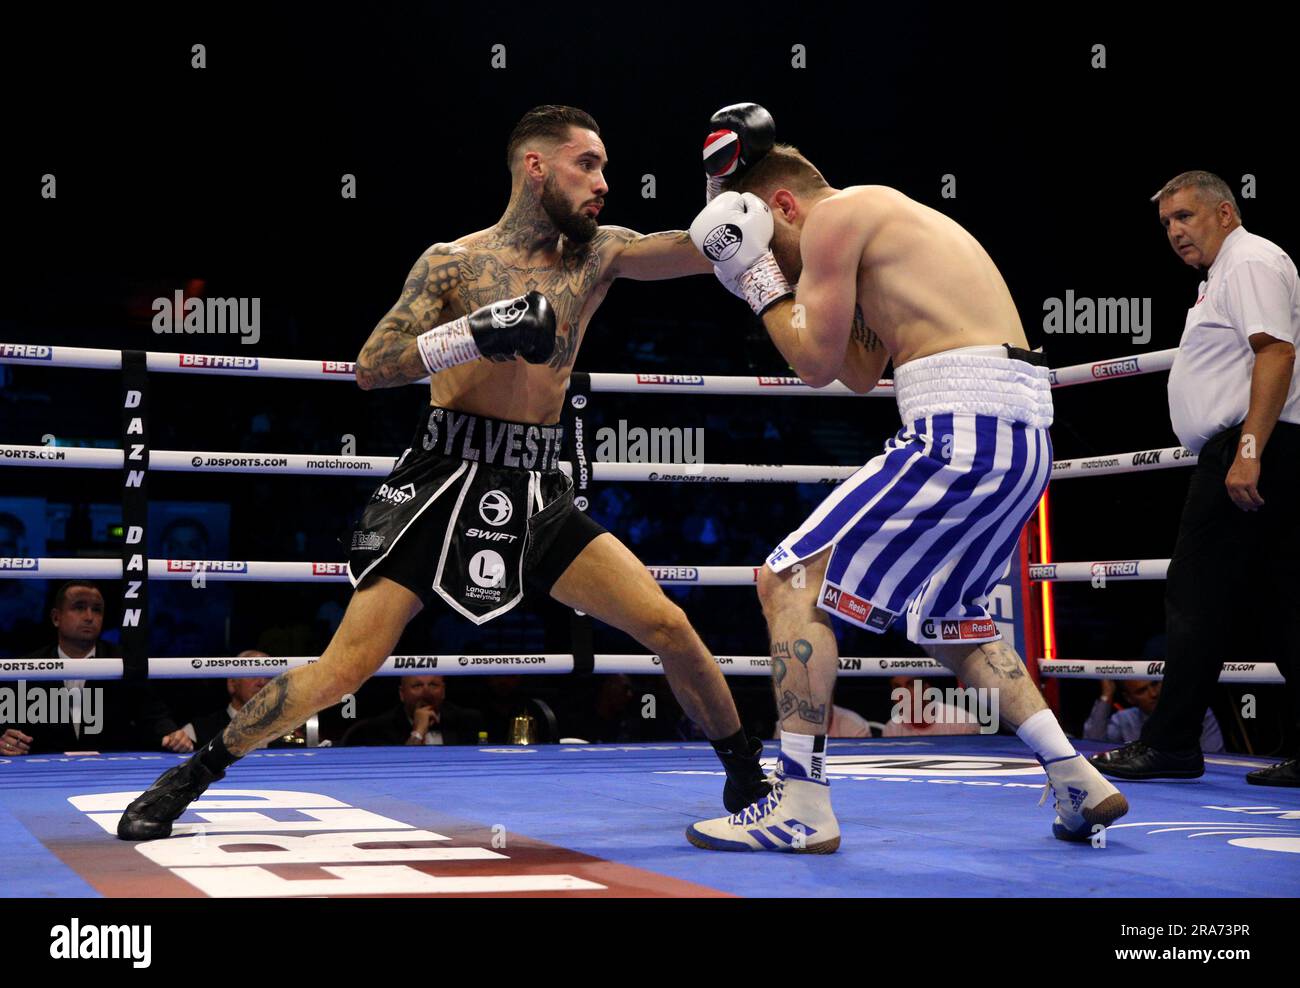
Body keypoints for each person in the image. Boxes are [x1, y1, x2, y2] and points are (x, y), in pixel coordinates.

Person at [117, 104, 771, 840]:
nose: (603, 183)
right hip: (444, 481)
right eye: (587, 164)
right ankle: (189, 775)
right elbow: (371, 367)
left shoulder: (602, 253)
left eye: (606, 168)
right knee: (345, 668)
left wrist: (727, 181)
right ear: (535, 166)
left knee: (669, 625)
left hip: (535, 489)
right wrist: (475, 335)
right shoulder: (451, 263)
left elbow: (706, 248)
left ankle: (746, 774)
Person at [684, 103, 1128, 852]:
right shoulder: (881, 223)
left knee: (788, 579)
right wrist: (772, 276)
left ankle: (798, 803)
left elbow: (814, 364)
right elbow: (857, 373)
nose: (791, 264)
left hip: (963, 425)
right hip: (1020, 436)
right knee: (945, 615)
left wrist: (757, 280)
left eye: (777, 241)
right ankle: (1074, 776)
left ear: (783, 206)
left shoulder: (835, 215)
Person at [1091, 171, 1299, 787]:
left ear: (1226, 213)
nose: (1175, 232)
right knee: (1281, 604)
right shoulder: (1225, 274)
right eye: (1166, 225)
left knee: (1195, 594)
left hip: (1251, 446)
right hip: (1261, 447)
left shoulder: (1250, 261)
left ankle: (1174, 743)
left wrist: (1249, 448)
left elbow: (1277, 352)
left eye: (1185, 216)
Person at [0, 582, 186, 755]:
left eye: (96, 610)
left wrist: (173, 735)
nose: (89, 617)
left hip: (110, 774)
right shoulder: (28, 666)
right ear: (56, 617)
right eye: (79, 607)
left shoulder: (124, 663)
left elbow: (153, 714)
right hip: (43, 773)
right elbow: (6, 724)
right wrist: (3, 740)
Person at [1084, 678, 1223, 753]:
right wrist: (1107, 695)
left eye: (1155, 684)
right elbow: (1091, 743)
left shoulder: (1197, 713)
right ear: (1129, 699)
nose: (1153, 694)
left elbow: (1215, 757)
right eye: (1142, 691)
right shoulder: (1124, 719)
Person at [342, 675, 484, 746]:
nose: (426, 692)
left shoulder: (467, 720)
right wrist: (417, 733)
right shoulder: (380, 728)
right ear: (402, 694)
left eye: (433, 685)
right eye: (417, 686)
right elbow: (393, 771)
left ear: (444, 691)